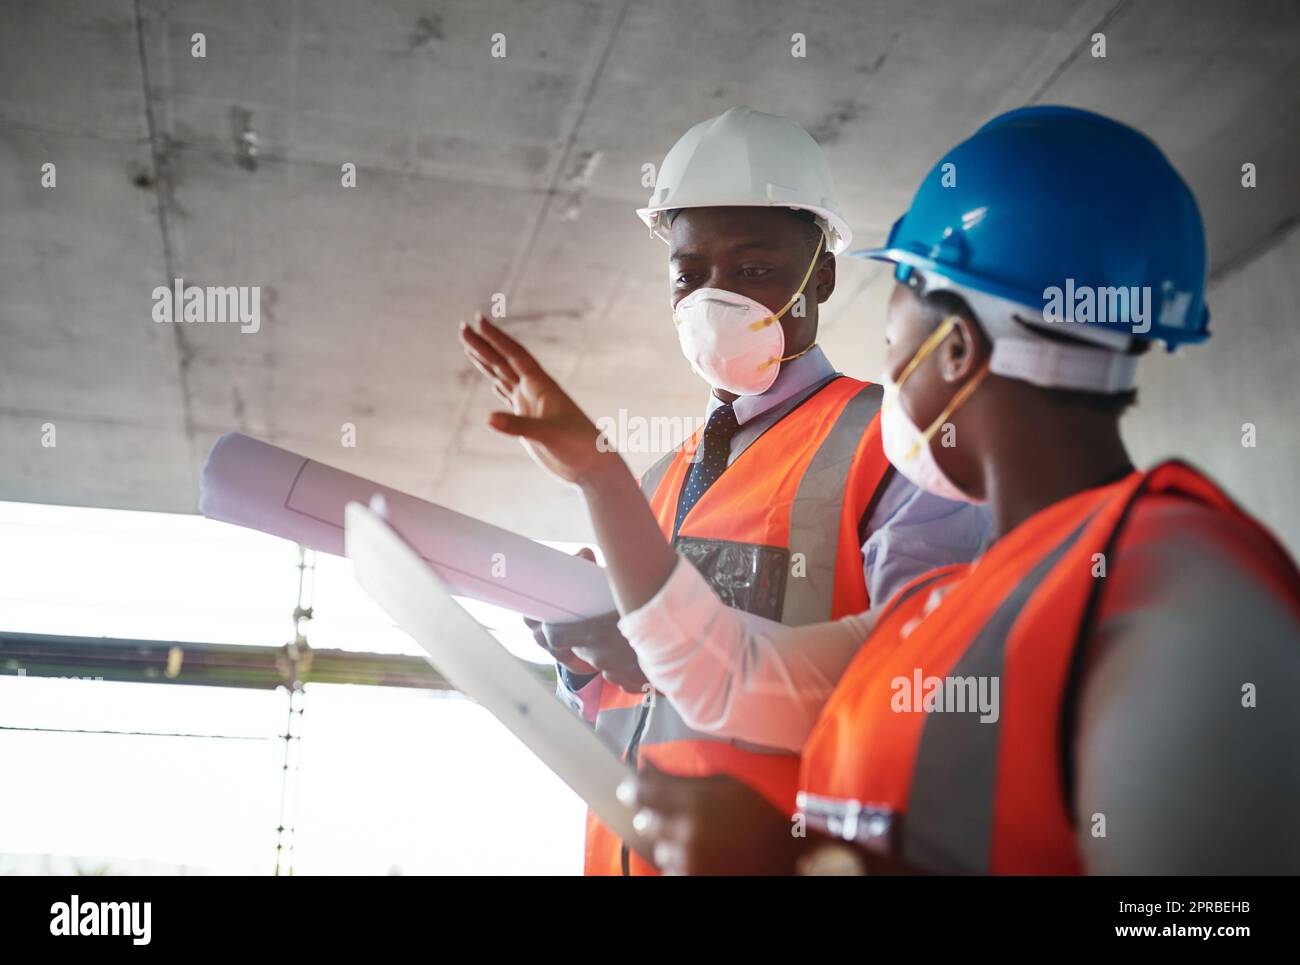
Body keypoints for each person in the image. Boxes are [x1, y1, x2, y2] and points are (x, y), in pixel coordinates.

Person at [462, 106, 1300, 875]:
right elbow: (723, 673)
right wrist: (600, 477)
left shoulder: (1180, 588)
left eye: (899, 292)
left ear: (958, 348)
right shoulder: (948, 608)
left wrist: (807, 869)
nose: (887, 340)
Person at [462, 106, 987, 875]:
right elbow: (629, 714)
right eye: (689, 274)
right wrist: (581, 651)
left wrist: (655, 645)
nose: (715, 297)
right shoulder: (657, 481)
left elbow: (918, 695)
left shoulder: (898, 444)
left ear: (824, 275)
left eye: (752, 270)